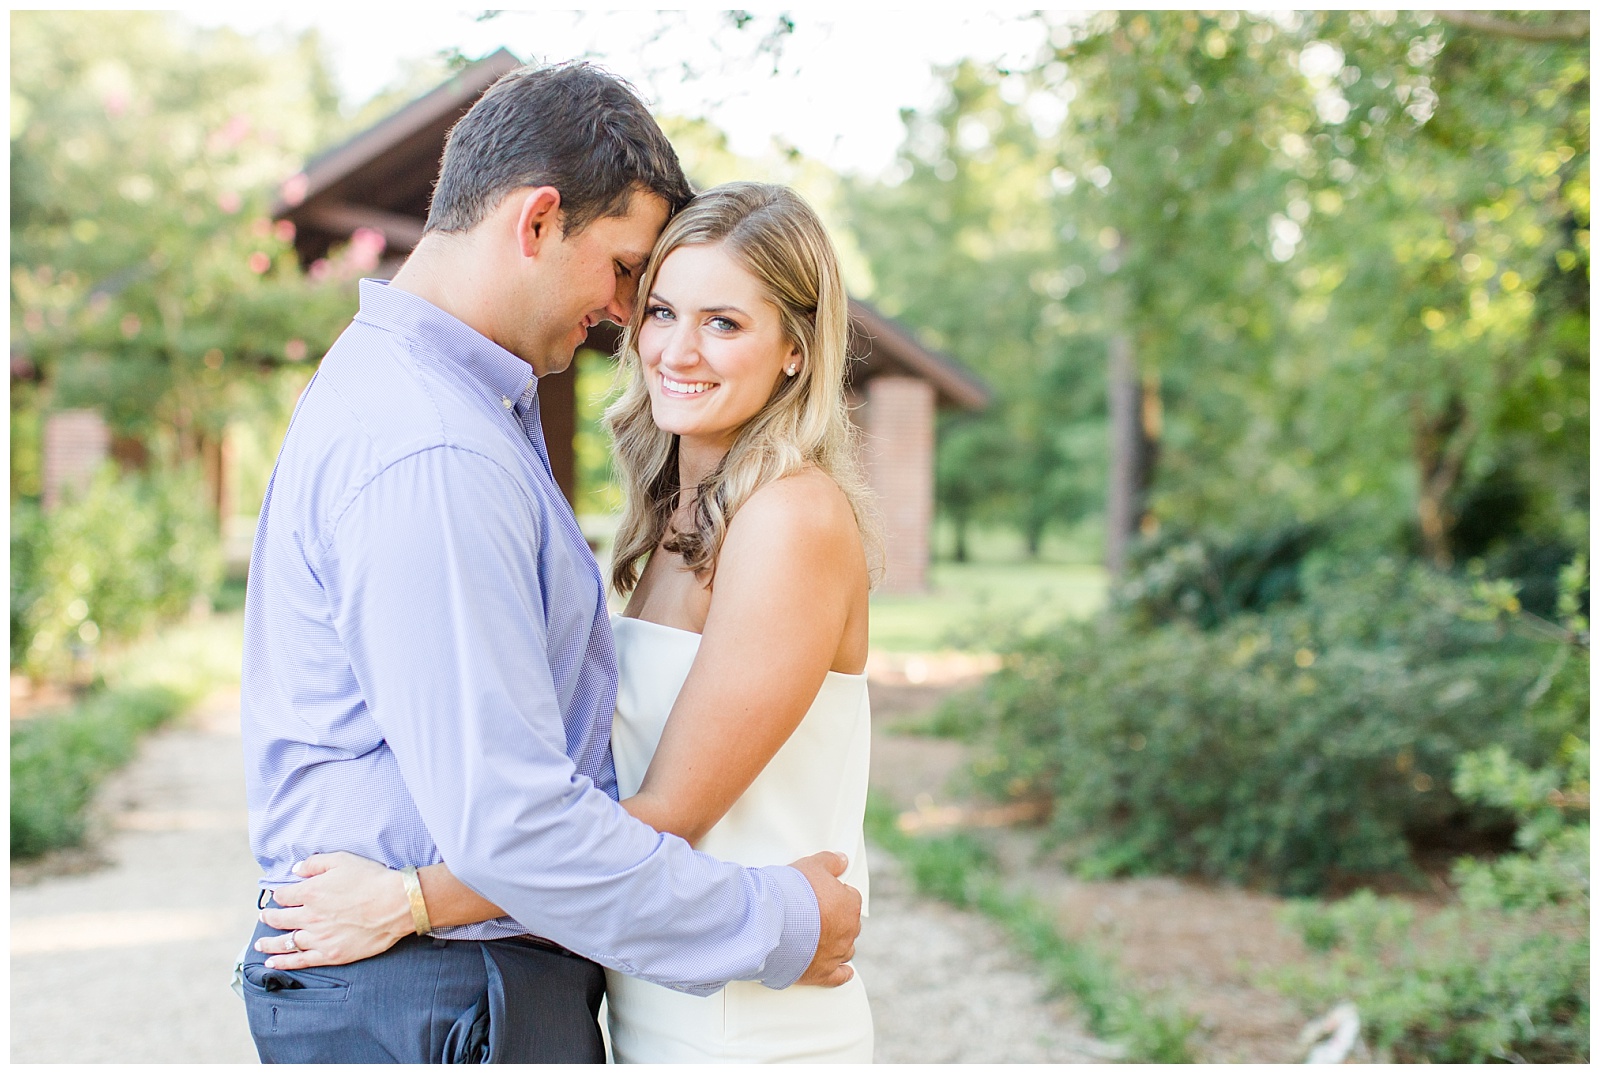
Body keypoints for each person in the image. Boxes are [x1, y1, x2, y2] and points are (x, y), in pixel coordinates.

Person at [237, 63, 861, 1065]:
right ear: (536, 223)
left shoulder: (434, 403)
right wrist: (778, 919)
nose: (631, 321)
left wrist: (411, 900)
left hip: (532, 974)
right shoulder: (434, 444)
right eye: (637, 284)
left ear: (795, 347)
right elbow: (515, 820)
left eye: (720, 319)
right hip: (444, 991)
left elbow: (610, 795)